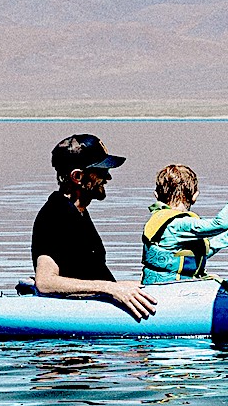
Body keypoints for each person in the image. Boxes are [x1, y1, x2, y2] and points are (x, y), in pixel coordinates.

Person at [30, 134, 157, 320]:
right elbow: (45, 282)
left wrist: (122, 286)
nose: (108, 177)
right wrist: (111, 288)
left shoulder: (78, 212)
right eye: (101, 171)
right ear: (77, 176)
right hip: (78, 322)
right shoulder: (54, 216)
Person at [141, 164, 228, 284]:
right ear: (195, 196)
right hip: (174, 288)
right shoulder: (180, 224)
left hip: (152, 286)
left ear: (156, 195)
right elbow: (221, 224)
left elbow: (196, 253)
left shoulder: (157, 220)